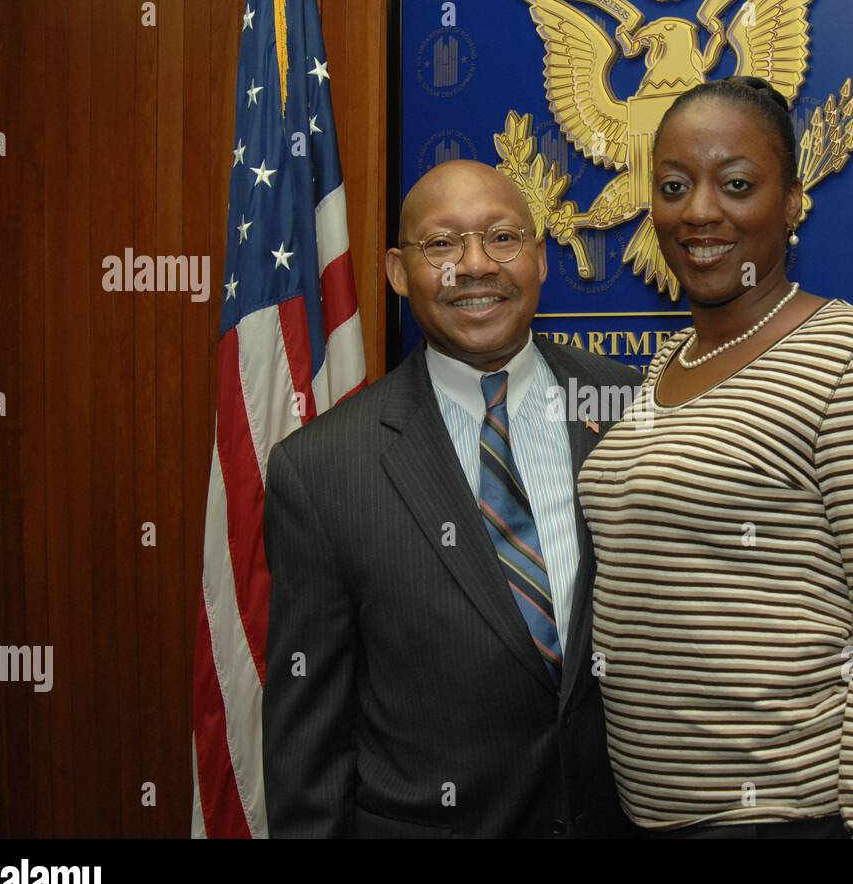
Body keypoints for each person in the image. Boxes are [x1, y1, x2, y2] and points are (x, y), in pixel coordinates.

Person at [577, 77, 853, 838]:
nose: (700, 210)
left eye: (737, 183)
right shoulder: (665, 365)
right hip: (644, 818)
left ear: (793, 200)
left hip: (788, 817)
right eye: (675, 185)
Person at [262, 160, 641, 838]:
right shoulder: (319, 471)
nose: (475, 265)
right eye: (441, 245)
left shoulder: (627, 408)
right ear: (398, 272)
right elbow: (307, 746)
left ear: (540, 257)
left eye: (502, 237)